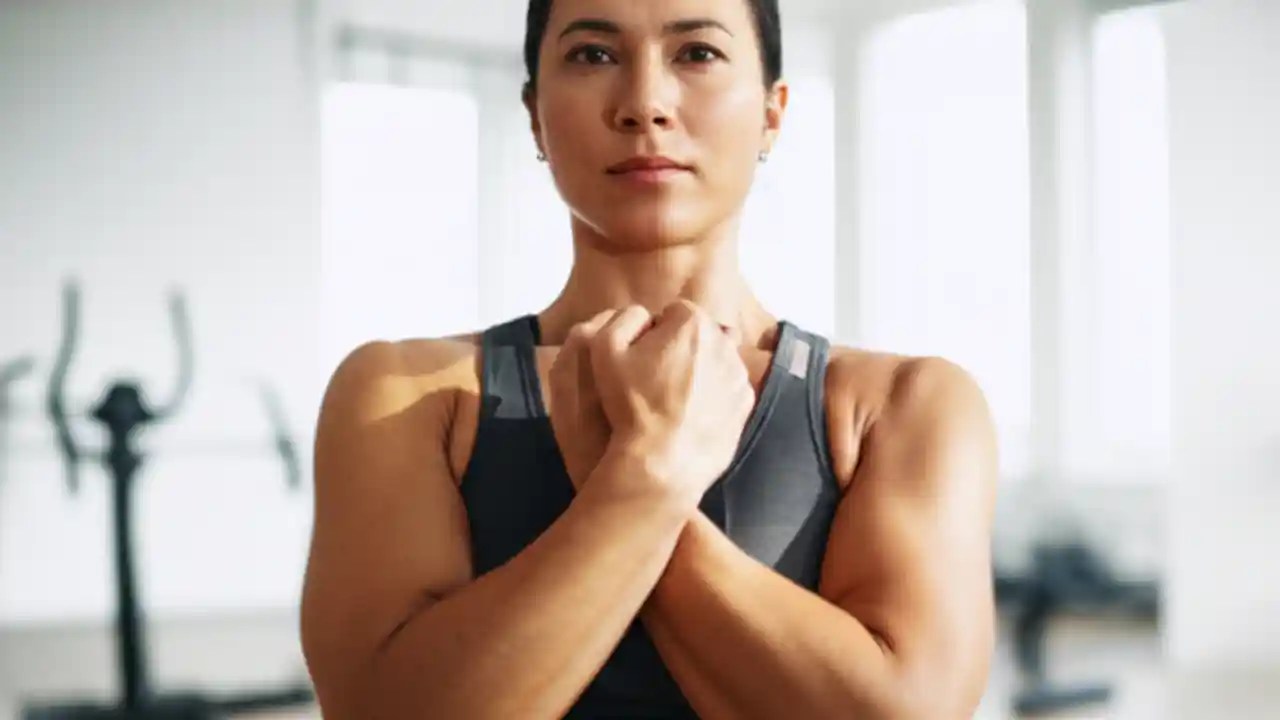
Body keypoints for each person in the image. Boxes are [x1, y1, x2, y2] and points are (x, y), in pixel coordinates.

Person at [299, 0, 998, 717]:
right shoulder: (402, 393)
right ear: (535, 116)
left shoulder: (905, 404)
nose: (645, 104)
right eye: (593, 56)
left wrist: (629, 476)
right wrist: (647, 477)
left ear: (771, 112)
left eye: (696, 53)